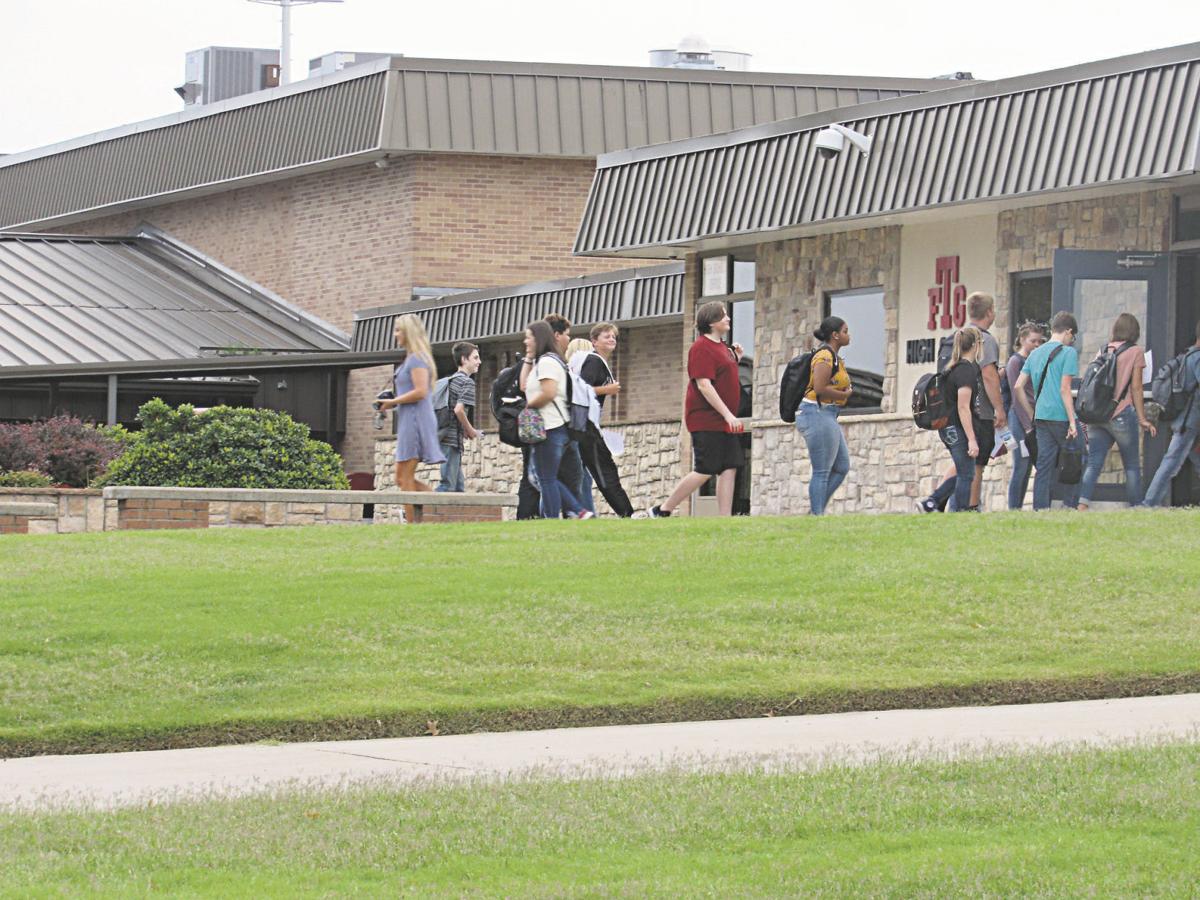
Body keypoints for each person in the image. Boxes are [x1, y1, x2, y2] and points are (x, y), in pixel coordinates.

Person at [645, 301, 744, 518]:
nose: (728, 318)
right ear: (711, 322)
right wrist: (728, 414)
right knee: (706, 468)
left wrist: (736, 359)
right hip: (706, 419)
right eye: (723, 315)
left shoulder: (722, 347)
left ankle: (724, 519)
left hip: (723, 420)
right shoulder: (700, 347)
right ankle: (662, 510)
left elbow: (723, 376)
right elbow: (704, 385)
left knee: (730, 465)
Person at [916, 293, 1006, 512]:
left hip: (949, 417)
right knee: (973, 468)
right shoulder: (982, 342)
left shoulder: (954, 341)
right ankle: (963, 508)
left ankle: (938, 503)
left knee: (964, 467)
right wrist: (999, 410)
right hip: (975, 415)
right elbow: (987, 377)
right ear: (990, 312)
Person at [1078, 313, 1156, 509]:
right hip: (1120, 413)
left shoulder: (1103, 349)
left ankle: (1082, 505)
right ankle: (1136, 506)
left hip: (1098, 415)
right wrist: (1142, 418)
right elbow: (1137, 387)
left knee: (1094, 463)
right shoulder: (1135, 351)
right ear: (1135, 331)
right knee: (1130, 464)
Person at [376, 314, 444, 524]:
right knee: (400, 477)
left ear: (408, 332)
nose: (395, 334)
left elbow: (421, 391)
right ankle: (438, 508)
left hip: (416, 420)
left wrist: (393, 401)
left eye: (398, 330)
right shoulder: (413, 358)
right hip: (409, 419)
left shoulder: (416, 359)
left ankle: (416, 523)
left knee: (405, 477)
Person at [523, 320, 593, 520]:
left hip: (551, 427)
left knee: (546, 478)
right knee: (546, 477)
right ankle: (575, 511)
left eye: (529, 337)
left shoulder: (547, 362)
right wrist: (529, 357)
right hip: (555, 428)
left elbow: (549, 392)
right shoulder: (544, 362)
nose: (525, 341)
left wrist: (528, 407)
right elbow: (523, 384)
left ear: (539, 338)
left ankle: (569, 513)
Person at [1012, 310, 1082, 511]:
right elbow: (1064, 389)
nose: (1072, 341)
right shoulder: (1068, 353)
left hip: (1041, 417)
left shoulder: (1035, 353)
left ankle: (1040, 509)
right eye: (1073, 337)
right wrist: (1071, 421)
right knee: (1076, 459)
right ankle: (1070, 505)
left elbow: (1018, 387)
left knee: (1043, 466)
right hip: (1061, 415)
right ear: (1068, 331)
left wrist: (1031, 412)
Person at [795, 316, 854, 515]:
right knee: (821, 470)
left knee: (842, 466)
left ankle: (815, 512)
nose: (849, 335)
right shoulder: (825, 357)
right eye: (845, 331)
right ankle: (817, 516)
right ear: (835, 335)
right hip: (816, 412)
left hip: (828, 414)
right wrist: (844, 395)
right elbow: (819, 388)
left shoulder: (835, 357)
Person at [577, 323, 635, 517]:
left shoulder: (597, 362)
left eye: (613, 337)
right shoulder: (594, 362)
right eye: (606, 336)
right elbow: (580, 391)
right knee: (605, 471)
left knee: (576, 474)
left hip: (584, 424)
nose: (612, 339)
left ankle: (577, 513)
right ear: (594, 341)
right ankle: (626, 513)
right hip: (584, 426)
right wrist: (606, 390)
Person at [1142, 321, 1200, 507]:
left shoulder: (1186, 355)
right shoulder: (1197, 357)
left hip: (1186, 420)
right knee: (1171, 463)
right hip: (1189, 422)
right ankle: (1148, 504)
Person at [938, 326, 984, 512]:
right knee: (966, 474)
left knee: (964, 471)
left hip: (948, 428)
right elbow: (963, 407)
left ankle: (934, 502)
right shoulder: (966, 370)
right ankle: (957, 511)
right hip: (956, 428)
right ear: (975, 345)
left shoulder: (953, 368)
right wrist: (972, 439)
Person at [1005, 321, 1048, 509]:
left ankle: (1021, 506)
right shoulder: (1016, 362)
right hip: (1020, 420)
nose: (1037, 345)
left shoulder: (1035, 362)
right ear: (1022, 340)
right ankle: (1014, 507)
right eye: (1033, 341)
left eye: (1040, 341)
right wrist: (1028, 426)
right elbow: (1017, 397)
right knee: (1020, 466)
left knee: (1030, 465)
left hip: (1034, 418)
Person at [436, 341, 481, 493]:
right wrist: (471, 430)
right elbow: (458, 410)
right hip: (451, 441)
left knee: (458, 488)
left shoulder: (451, 381)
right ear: (464, 359)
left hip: (445, 437)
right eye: (475, 358)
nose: (479, 362)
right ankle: (421, 514)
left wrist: (465, 430)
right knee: (447, 486)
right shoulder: (467, 382)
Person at [565, 337, 597, 513]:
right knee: (583, 477)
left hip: (569, 429)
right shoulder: (583, 374)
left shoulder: (565, 372)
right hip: (580, 429)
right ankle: (583, 511)